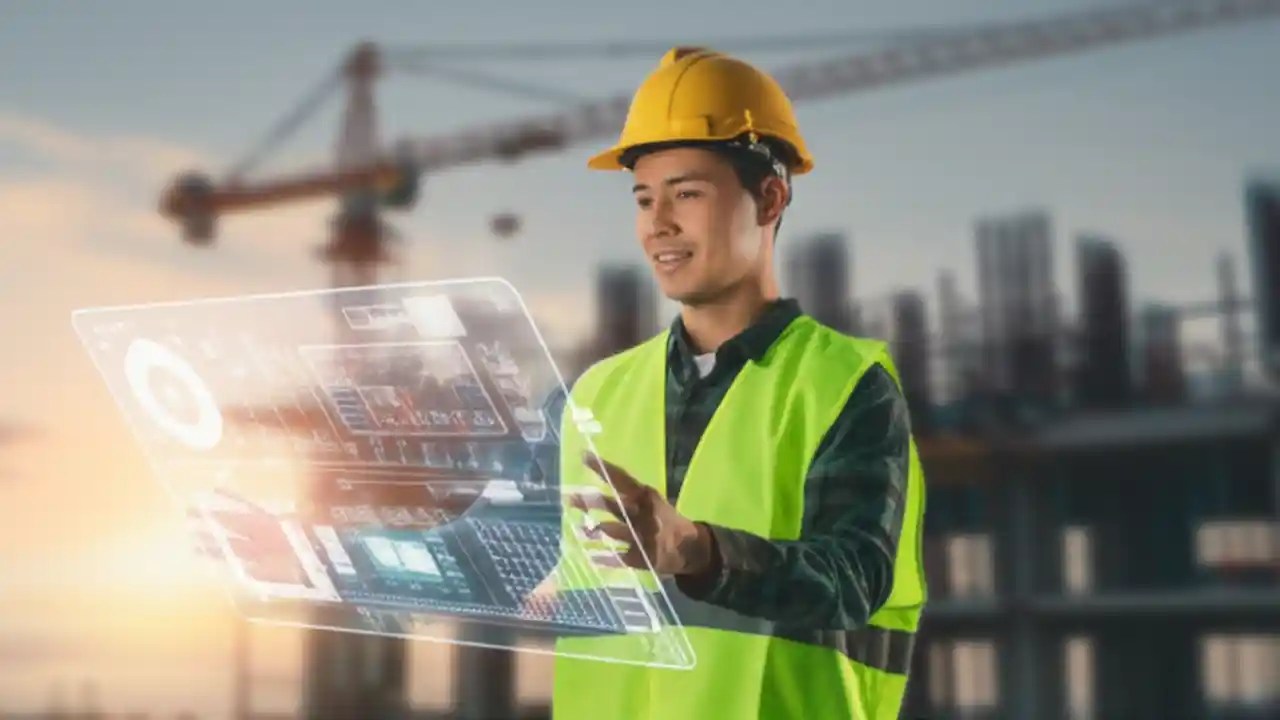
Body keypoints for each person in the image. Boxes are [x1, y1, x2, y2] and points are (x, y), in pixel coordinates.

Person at [548, 47, 928, 720]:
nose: (658, 223)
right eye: (644, 198)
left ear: (771, 196)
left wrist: (695, 549)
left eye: (687, 193)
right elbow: (553, 586)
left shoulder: (845, 385)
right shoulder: (595, 394)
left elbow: (853, 579)